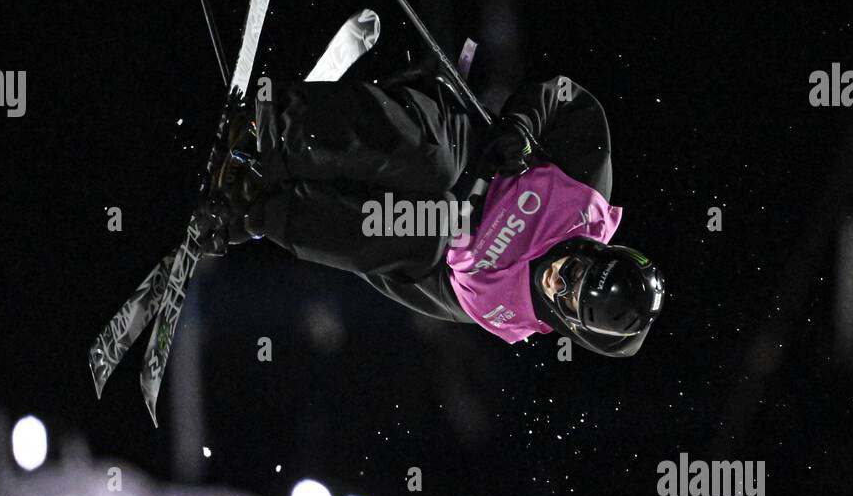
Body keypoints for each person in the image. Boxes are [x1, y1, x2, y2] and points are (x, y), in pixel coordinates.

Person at [204, 66, 665, 357]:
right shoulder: (583, 196)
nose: (558, 278)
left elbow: (403, 276)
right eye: (578, 267)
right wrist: (520, 128)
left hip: (441, 228)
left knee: (417, 235)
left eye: (567, 295)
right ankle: (274, 129)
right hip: (467, 150)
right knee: (436, 162)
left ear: (569, 322)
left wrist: (283, 218)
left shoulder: (509, 312)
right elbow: (566, 94)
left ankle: (255, 206)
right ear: (594, 248)